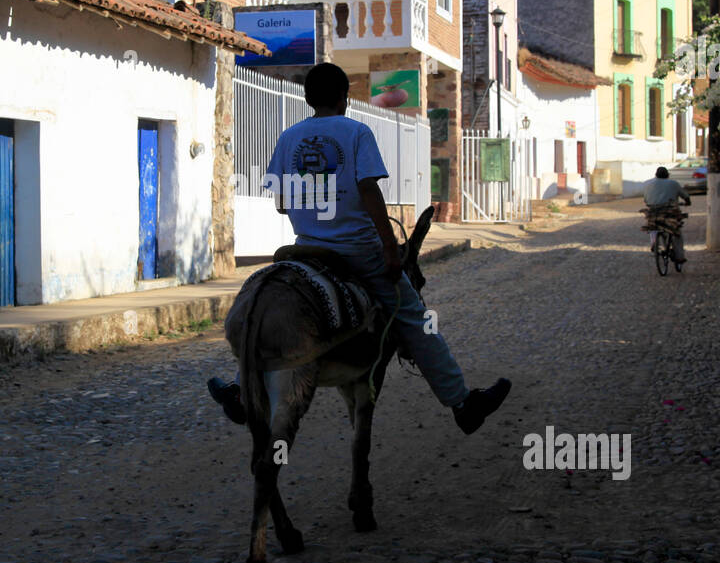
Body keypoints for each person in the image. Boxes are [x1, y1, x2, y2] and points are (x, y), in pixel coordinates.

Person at [207, 63, 512, 435]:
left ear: (307, 98)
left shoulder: (289, 137)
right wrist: (387, 246)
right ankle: (463, 404)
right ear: (344, 98)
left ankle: (241, 389)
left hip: (304, 250)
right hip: (357, 253)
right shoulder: (357, 132)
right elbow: (370, 192)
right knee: (415, 318)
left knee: (266, 307)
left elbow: (282, 203)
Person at [642, 166, 692, 263]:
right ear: (668, 175)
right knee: (676, 233)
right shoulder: (673, 183)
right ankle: (679, 256)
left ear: (655, 175)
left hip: (653, 213)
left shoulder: (648, 184)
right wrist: (688, 202)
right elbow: (685, 196)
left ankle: (654, 244)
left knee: (653, 227)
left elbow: (646, 200)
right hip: (670, 213)